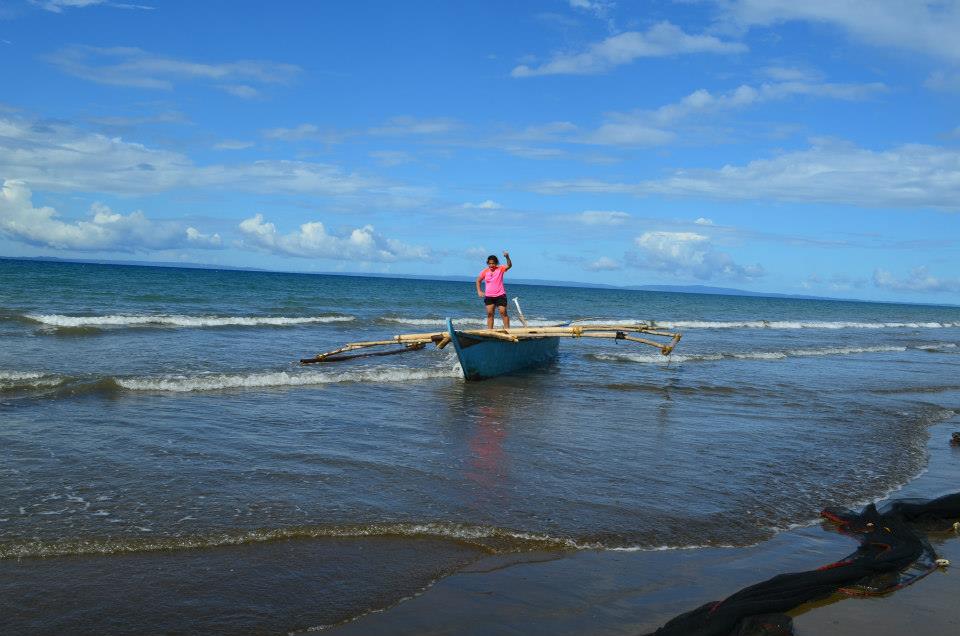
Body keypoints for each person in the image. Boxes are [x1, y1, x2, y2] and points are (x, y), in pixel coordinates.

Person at [476, 251, 512, 329]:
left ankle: (507, 330)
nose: (491, 265)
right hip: (489, 296)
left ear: (496, 263)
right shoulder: (485, 271)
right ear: (488, 263)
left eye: (493, 263)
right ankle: (490, 331)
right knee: (490, 314)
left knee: (503, 312)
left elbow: (509, 265)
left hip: (500, 295)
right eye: (490, 263)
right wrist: (479, 291)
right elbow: (478, 280)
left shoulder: (500, 269)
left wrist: (507, 257)